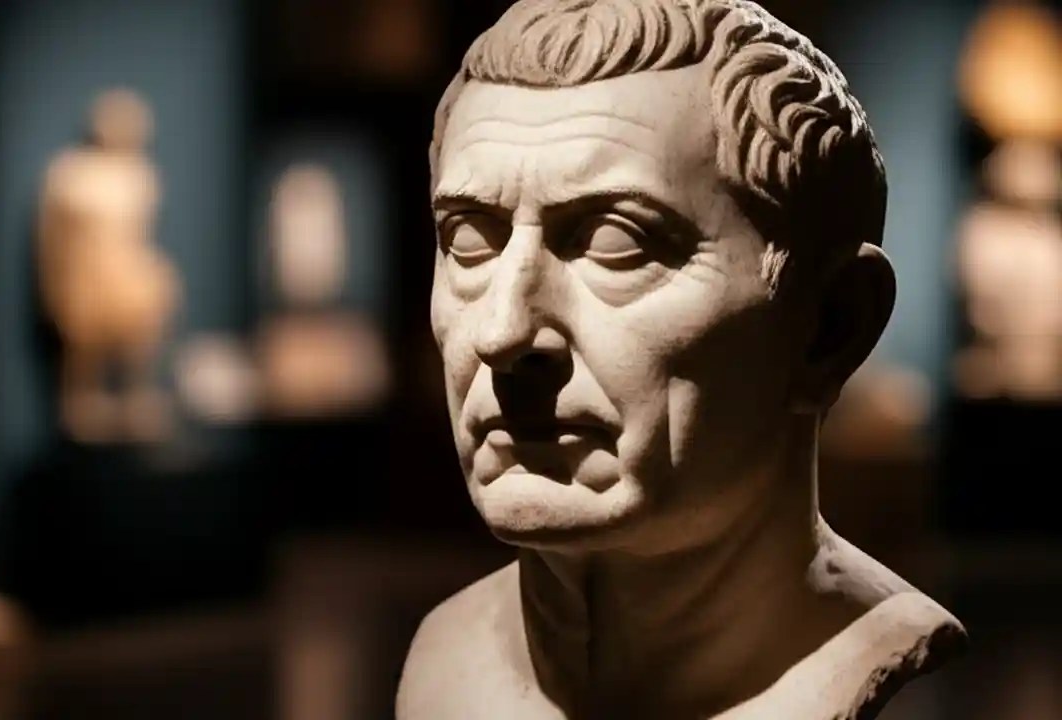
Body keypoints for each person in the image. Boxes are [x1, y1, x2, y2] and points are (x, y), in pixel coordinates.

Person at [397, 1, 967, 718]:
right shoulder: (445, 660)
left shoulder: (848, 663)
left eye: (616, 243)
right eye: (471, 243)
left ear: (828, 327)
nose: (504, 332)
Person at [38, 87, 181, 442]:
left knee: (142, 325)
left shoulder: (140, 175)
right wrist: (55, 284)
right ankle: (82, 399)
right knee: (85, 339)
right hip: (86, 269)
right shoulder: (70, 173)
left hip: (127, 265)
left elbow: (142, 232)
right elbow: (51, 238)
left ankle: (136, 397)